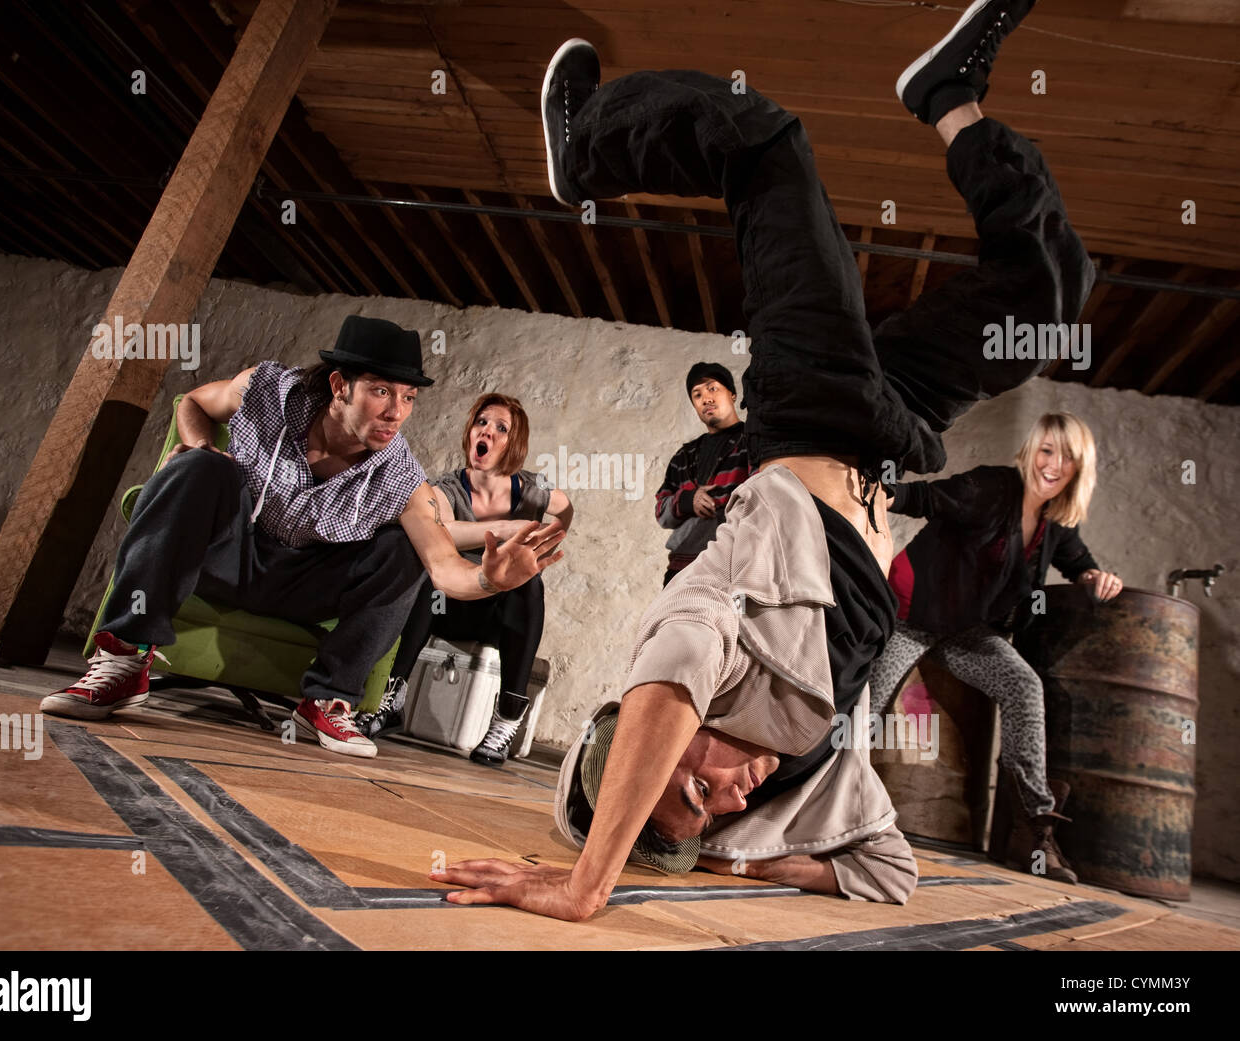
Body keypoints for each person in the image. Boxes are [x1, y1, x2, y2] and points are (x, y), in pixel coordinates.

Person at [432, 0, 1095, 919]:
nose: (735, 796)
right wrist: (722, 859)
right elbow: (887, 871)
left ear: (647, 743)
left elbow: (668, 680)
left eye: (694, 786)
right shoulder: (792, 784)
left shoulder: (703, 644)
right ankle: (951, 100)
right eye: (715, 814)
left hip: (813, 407)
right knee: (1048, 299)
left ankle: (585, 145)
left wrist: (589, 886)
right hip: (891, 427)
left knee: (765, 145)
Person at [41, 316, 565, 759]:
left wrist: (489, 579)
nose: (396, 412)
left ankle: (330, 700)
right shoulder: (267, 390)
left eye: (407, 398)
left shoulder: (402, 474)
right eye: (381, 391)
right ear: (340, 386)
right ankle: (126, 657)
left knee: (402, 545)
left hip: (306, 587)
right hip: (228, 557)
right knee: (204, 470)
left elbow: (442, 567)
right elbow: (193, 402)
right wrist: (202, 446)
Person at [871, 412, 1121, 883]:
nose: (1053, 464)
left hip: (966, 629)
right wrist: (879, 488)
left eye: (1066, 456)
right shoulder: (991, 487)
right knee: (866, 710)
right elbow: (923, 497)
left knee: (1024, 685)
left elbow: (1078, 563)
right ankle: (821, 809)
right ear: (1031, 452)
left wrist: (1094, 577)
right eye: (1047, 450)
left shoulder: (1055, 522)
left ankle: (1035, 831)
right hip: (909, 614)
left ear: (1078, 468)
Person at [357, 393, 574, 766]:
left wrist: (542, 545)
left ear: (513, 442)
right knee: (426, 573)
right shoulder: (446, 488)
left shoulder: (534, 491)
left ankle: (507, 716)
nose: (486, 430)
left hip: (493, 617)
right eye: (481, 422)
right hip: (446, 605)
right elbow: (442, 531)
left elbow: (565, 508)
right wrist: (504, 527)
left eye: (500, 427)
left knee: (530, 582)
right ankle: (391, 700)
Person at [655, 363, 751, 586]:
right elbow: (661, 512)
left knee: (734, 620)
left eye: (712, 388)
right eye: (697, 395)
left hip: (734, 565)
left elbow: (762, 498)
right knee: (673, 620)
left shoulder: (753, 441)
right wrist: (688, 500)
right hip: (681, 568)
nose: (705, 398)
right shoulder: (684, 456)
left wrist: (719, 504)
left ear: (733, 394)